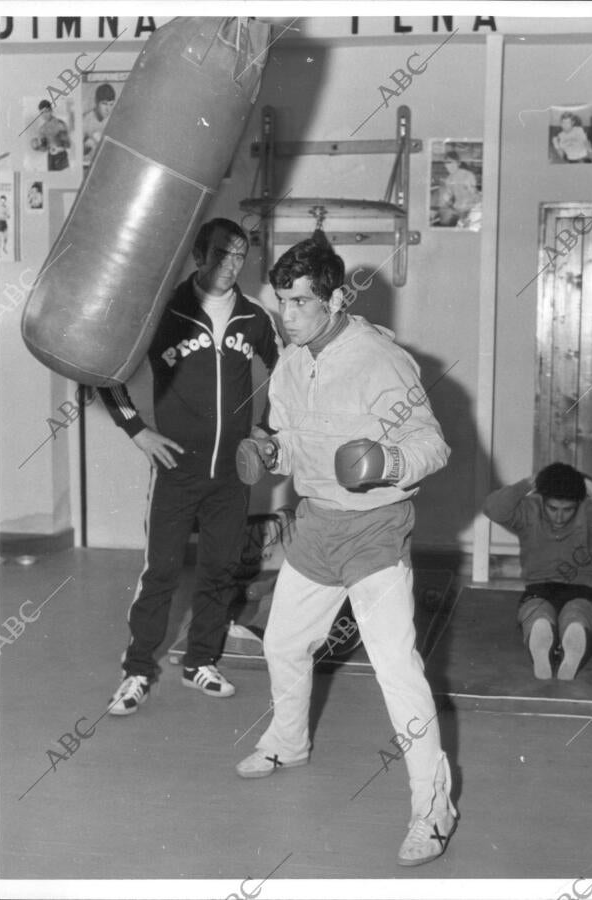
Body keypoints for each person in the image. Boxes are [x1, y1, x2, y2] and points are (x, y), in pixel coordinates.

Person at [234, 232, 457, 867]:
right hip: (317, 526)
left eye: (300, 302)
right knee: (282, 642)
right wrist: (269, 450)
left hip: (374, 530)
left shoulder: (379, 360)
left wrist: (387, 458)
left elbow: (433, 445)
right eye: (281, 301)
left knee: (396, 667)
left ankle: (433, 805)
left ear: (335, 299)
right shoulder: (292, 358)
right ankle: (288, 741)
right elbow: (288, 435)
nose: (287, 315)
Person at [99, 218, 281, 716]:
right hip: (177, 469)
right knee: (161, 571)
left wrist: (266, 428)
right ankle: (136, 670)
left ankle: (201, 660)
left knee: (220, 568)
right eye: (220, 255)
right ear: (199, 256)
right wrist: (138, 430)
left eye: (239, 256)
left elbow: (287, 369)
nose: (229, 265)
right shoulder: (165, 311)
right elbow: (106, 367)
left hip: (230, 474)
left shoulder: (253, 318)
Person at [483, 463, 592, 680]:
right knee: (536, 613)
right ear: (542, 499)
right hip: (539, 588)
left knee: (578, 612)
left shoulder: (589, 510)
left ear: (578, 502)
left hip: (581, 588)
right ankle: (541, 638)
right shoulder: (529, 509)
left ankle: (574, 636)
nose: (559, 517)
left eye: (567, 510)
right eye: (553, 508)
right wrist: (528, 483)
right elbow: (493, 508)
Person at [436, 150, 479, 227]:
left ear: (458, 163)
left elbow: (474, 195)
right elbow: (447, 198)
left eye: (451, 162)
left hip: (470, 212)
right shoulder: (449, 179)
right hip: (458, 212)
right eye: (446, 163)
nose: (448, 166)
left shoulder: (467, 175)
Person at [30, 99, 71, 171]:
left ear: (51, 111)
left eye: (46, 111)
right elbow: (44, 148)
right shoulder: (42, 129)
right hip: (50, 159)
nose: (44, 115)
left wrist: (58, 148)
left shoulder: (60, 124)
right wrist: (37, 147)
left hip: (62, 158)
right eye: (42, 113)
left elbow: (67, 144)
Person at [82, 83, 117, 166]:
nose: (108, 109)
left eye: (111, 104)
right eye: (104, 104)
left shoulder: (113, 120)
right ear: (96, 102)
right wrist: (86, 146)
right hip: (88, 166)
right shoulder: (85, 121)